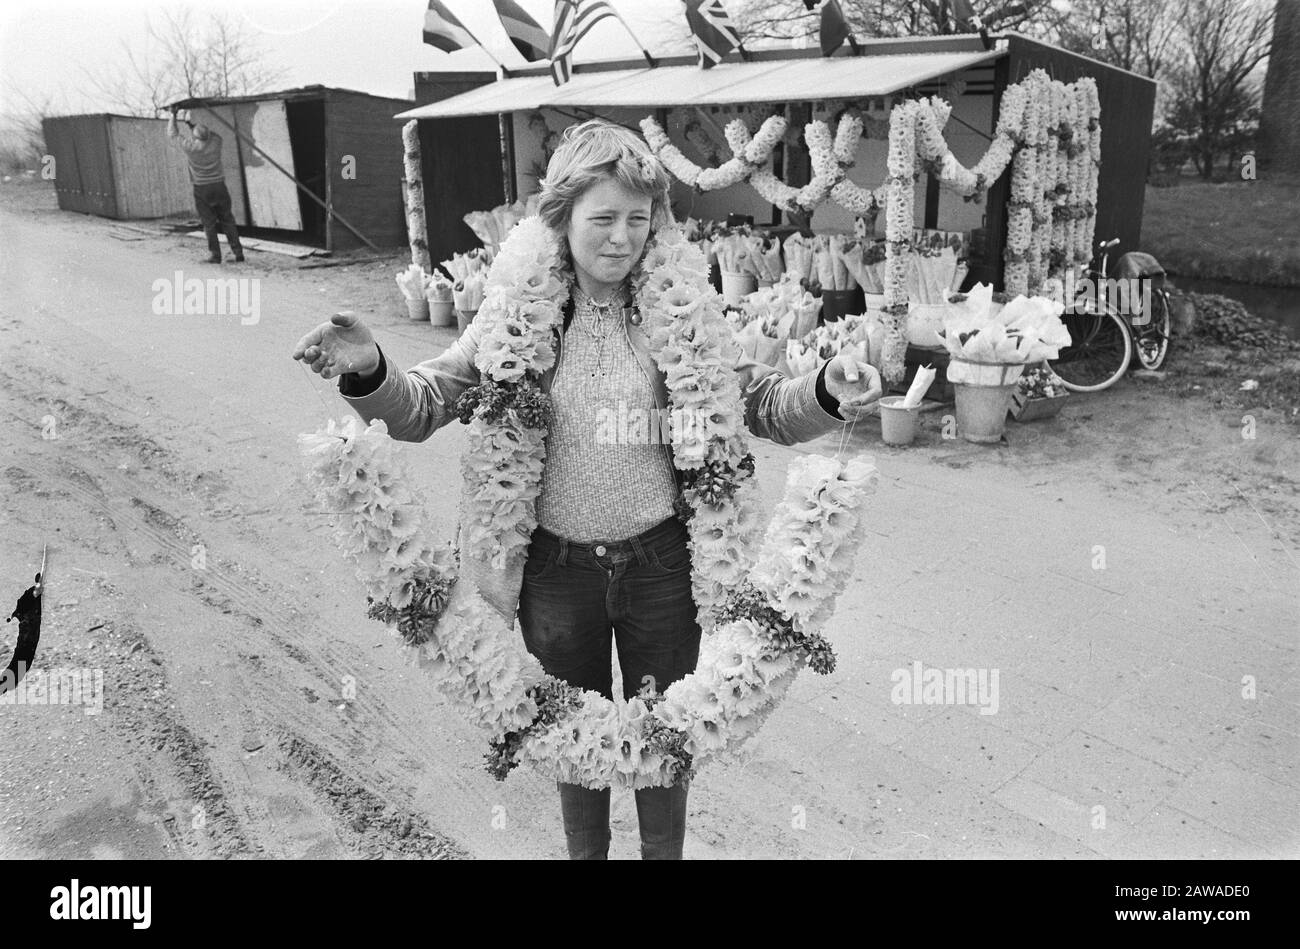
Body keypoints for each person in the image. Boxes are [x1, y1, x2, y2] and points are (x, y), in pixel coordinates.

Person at [292, 120, 881, 859]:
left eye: (638, 219)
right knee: (573, 744)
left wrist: (825, 387)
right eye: (601, 218)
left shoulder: (683, 316)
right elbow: (423, 404)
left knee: (666, 740)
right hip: (556, 575)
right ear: (560, 217)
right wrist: (370, 367)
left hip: (662, 569)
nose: (620, 238)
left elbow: (760, 404)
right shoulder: (514, 318)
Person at [168, 107, 244, 264]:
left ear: (195, 138)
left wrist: (173, 115)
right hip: (219, 186)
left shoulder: (191, 148)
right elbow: (209, 135)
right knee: (228, 220)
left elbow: (173, 133)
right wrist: (193, 125)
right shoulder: (216, 142)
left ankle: (215, 256)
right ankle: (237, 253)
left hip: (202, 188)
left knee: (209, 224)